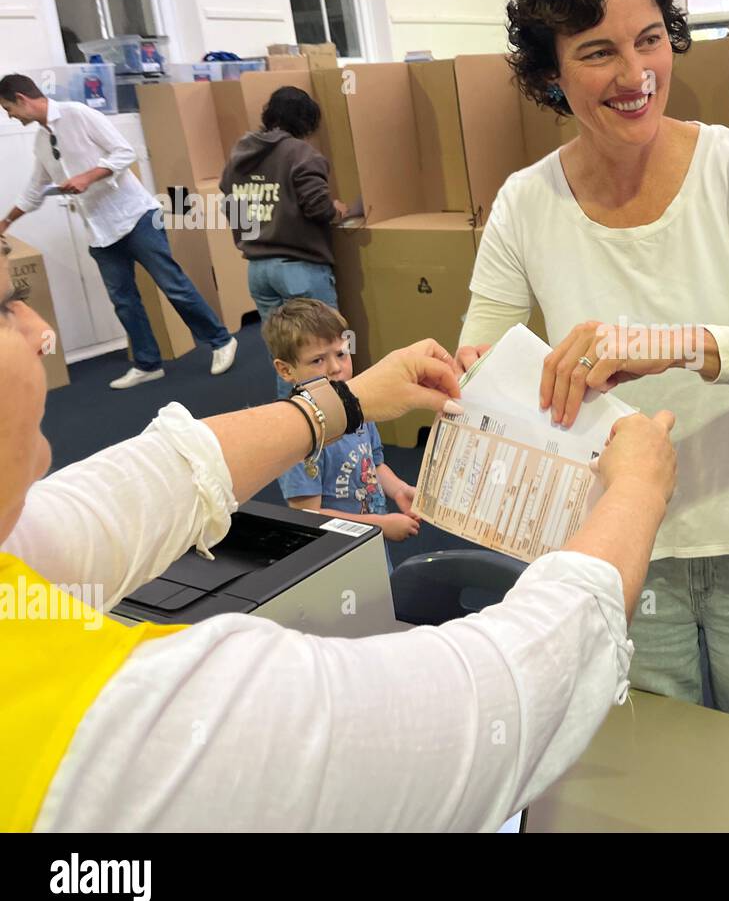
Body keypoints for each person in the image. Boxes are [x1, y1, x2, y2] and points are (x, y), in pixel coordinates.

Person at [0, 238, 678, 831]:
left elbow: (155, 482)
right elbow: (486, 708)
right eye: (5, 305)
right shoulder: (126, 738)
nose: (40, 331)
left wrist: (344, 402)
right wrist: (635, 493)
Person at [458, 0, 729, 746]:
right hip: (619, 550)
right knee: (658, 789)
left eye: (650, 40)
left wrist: (669, 344)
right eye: (599, 51)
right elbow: (483, 374)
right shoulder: (525, 204)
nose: (637, 75)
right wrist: (473, 393)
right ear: (549, 70)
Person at [0, 73, 236, 389]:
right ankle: (148, 363)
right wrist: (4, 223)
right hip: (100, 231)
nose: (10, 116)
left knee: (173, 285)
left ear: (21, 98)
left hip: (135, 216)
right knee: (124, 301)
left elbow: (125, 152)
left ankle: (221, 341)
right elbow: (34, 190)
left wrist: (88, 177)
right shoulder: (43, 142)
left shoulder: (78, 114)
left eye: (7, 108)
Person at [265, 298, 419, 571]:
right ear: (286, 370)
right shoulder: (299, 436)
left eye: (341, 354)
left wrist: (399, 489)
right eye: (317, 360)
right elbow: (309, 514)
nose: (336, 368)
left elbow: (375, 463)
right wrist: (381, 526)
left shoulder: (357, 408)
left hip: (369, 541)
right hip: (334, 557)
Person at [220, 86, 349, 397]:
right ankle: (335, 424)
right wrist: (337, 209)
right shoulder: (300, 153)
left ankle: (293, 426)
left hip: (258, 269)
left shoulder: (240, 153)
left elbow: (231, 206)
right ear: (307, 122)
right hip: (299, 267)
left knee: (288, 356)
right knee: (326, 352)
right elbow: (317, 205)